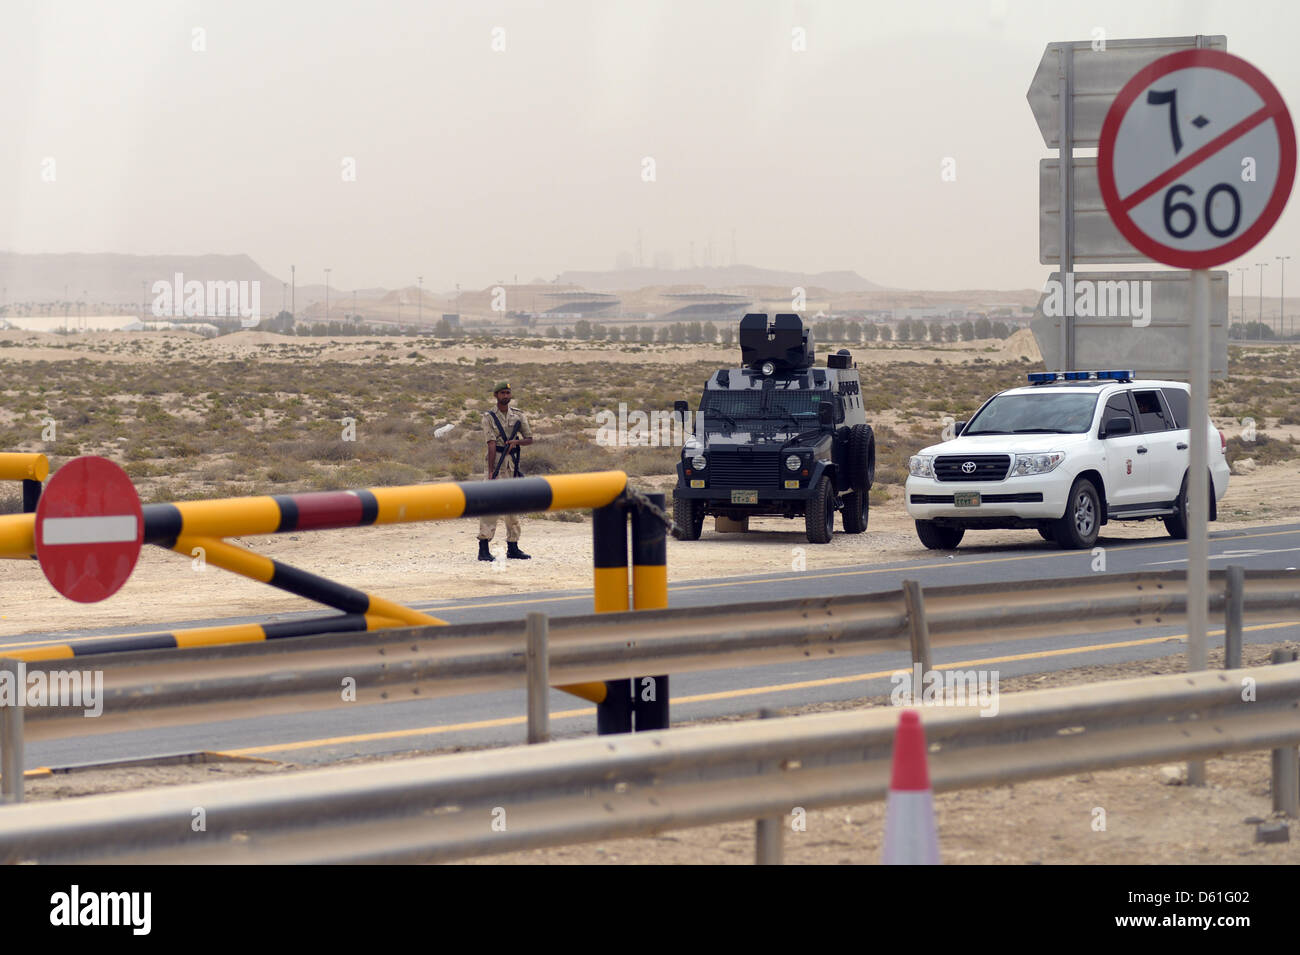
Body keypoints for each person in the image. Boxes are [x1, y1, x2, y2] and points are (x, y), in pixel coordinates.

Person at [478, 381, 534, 560]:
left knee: (512, 505)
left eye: (508, 393)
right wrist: (491, 472)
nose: (506, 396)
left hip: (512, 464)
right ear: (496, 396)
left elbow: (529, 439)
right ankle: (484, 548)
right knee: (490, 505)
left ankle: (513, 546)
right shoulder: (488, 417)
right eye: (502, 393)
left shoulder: (518, 415)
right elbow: (491, 444)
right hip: (496, 462)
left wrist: (514, 443)